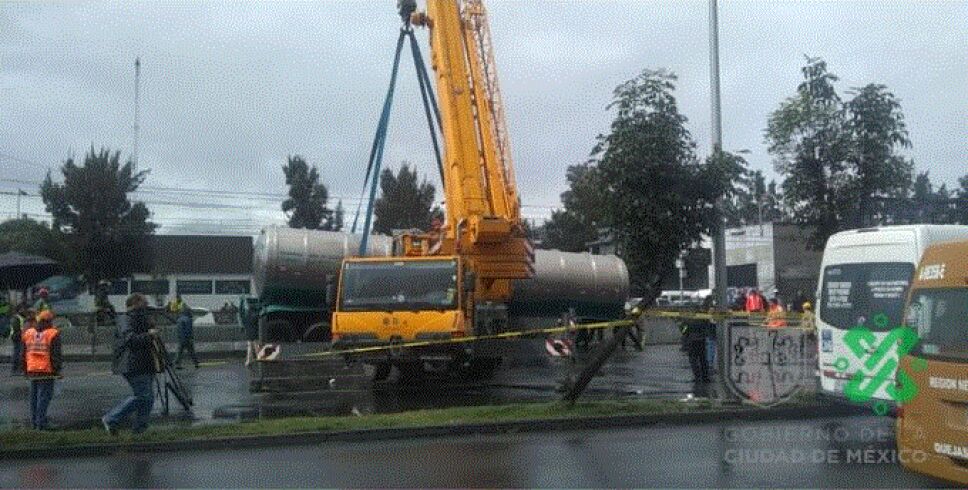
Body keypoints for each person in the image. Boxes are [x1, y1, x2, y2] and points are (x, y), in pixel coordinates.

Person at [102, 293, 158, 435]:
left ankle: (140, 429)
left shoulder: (139, 319)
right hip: (132, 363)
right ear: (135, 304)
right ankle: (111, 418)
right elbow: (131, 340)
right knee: (143, 396)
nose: (146, 307)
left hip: (143, 363)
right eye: (144, 304)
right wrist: (149, 335)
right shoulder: (125, 320)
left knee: (148, 398)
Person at [23, 310, 62, 429]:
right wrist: (57, 370)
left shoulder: (29, 333)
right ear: (50, 321)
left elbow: (23, 352)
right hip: (46, 370)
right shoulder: (53, 333)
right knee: (44, 397)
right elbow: (55, 354)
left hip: (32, 369)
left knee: (34, 397)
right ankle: (41, 423)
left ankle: (35, 421)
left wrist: (24, 369)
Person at [679, 304, 713, 384]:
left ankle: (697, 377)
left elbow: (683, 329)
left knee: (693, 360)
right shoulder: (702, 317)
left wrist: (686, 334)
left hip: (691, 341)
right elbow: (707, 326)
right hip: (701, 340)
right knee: (703, 360)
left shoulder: (688, 318)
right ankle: (705, 377)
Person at [174, 304, 199, 370]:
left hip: (180, 338)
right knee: (191, 352)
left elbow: (178, 330)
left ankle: (177, 364)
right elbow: (189, 330)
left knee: (179, 352)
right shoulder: (188, 319)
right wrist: (190, 338)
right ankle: (196, 363)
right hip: (187, 338)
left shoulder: (179, 319)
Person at [240, 297, 260, 367]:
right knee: (256, 347)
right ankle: (259, 360)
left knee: (250, 347)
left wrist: (241, 302)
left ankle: (249, 361)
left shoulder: (246, 315)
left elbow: (241, 313)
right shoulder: (256, 315)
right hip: (255, 333)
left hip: (248, 333)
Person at [9, 304, 29, 375]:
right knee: (17, 353)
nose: (24, 310)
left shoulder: (22, 317)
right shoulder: (16, 318)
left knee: (20, 353)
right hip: (17, 337)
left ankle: (18, 369)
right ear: (19, 310)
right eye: (22, 309)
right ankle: (15, 369)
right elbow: (16, 328)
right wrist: (21, 332)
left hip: (21, 337)